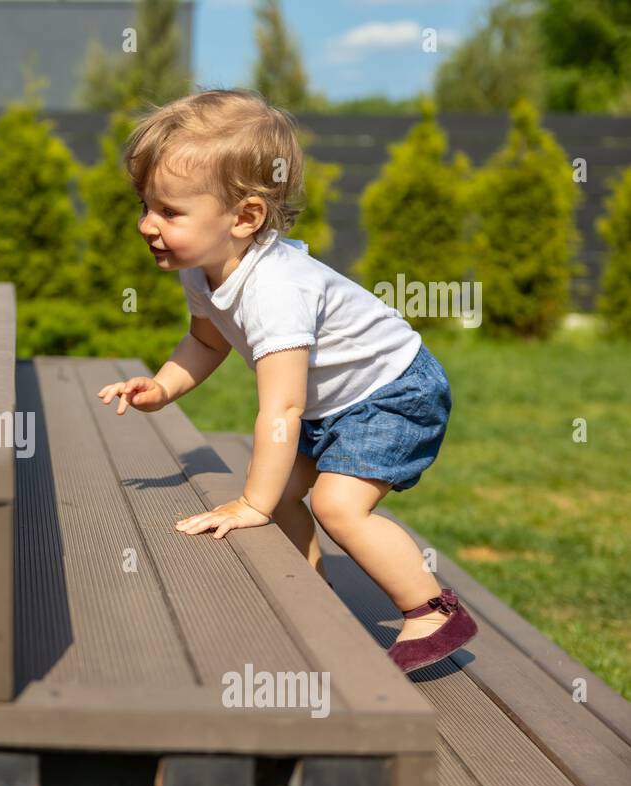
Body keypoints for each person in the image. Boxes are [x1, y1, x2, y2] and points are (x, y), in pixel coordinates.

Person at [96, 88, 476, 674]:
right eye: (146, 206)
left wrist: (251, 501)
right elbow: (205, 341)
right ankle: (313, 600)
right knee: (281, 495)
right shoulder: (203, 269)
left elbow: (283, 405)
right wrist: (164, 387)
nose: (148, 225)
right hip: (336, 403)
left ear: (244, 218)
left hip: (393, 394)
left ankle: (432, 610)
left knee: (335, 504)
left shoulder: (276, 289)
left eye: (170, 212)